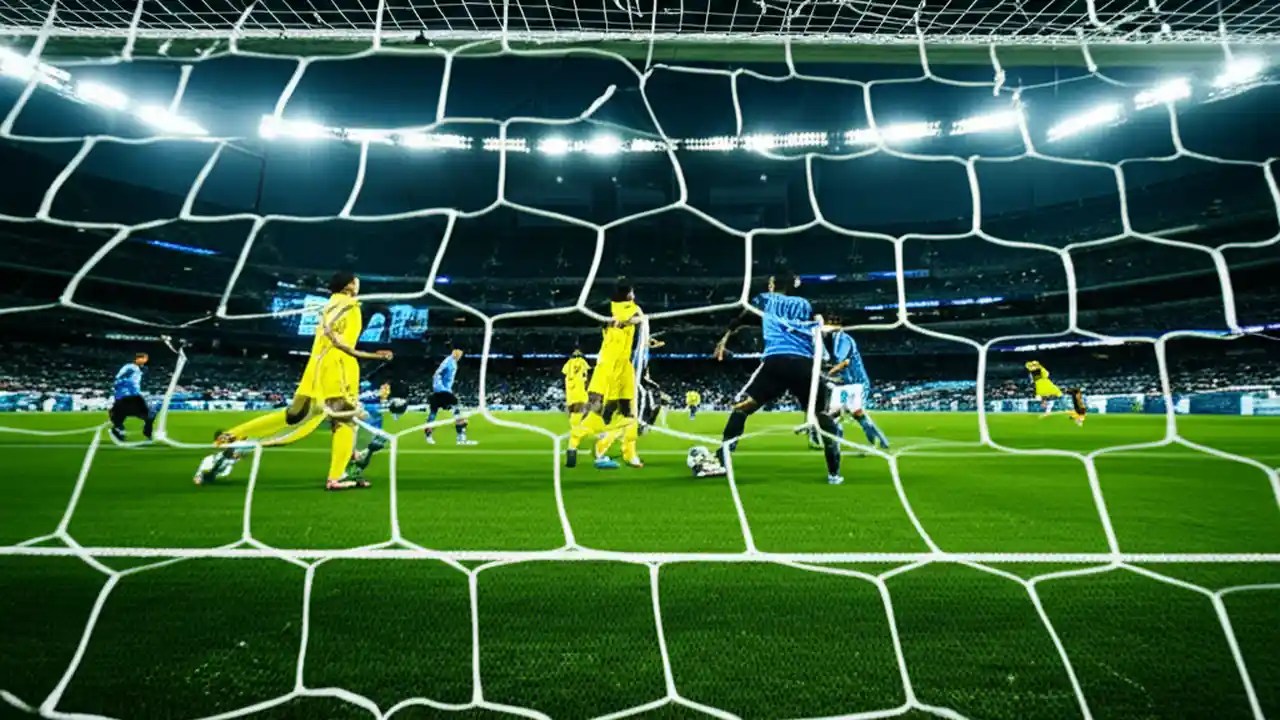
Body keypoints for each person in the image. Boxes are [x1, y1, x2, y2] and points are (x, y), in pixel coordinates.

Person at [207, 272, 393, 491]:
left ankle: (231, 435)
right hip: (337, 366)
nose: (358, 287)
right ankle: (337, 477)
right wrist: (375, 356)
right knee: (345, 420)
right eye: (357, 283)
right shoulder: (350, 305)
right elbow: (340, 342)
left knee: (294, 415)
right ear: (350, 285)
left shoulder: (329, 305)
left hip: (315, 366)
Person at [714, 271, 844, 485]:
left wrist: (725, 338)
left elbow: (742, 317)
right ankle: (834, 473)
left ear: (773, 284)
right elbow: (817, 327)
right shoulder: (804, 304)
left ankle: (722, 459)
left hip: (777, 362)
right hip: (804, 364)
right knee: (821, 415)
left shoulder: (765, 299)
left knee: (742, 409)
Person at [567, 278, 643, 469]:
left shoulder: (631, 308)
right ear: (628, 293)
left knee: (628, 412)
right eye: (632, 292)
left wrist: (623, 322)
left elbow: (639, 318)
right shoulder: (609, 309)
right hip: (610, 367)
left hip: (623, 366)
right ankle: (577, 440)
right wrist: (611, 322)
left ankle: (627, 452)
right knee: (603, 413)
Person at [822, 325, 889, 449]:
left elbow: (844, 362)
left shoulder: (843, 341)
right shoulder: (829, 344)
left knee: (858, 414)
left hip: (857, 384)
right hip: (845, 385)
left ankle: (879, 441)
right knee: (833, 414)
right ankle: (836, 443)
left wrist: (828, 373)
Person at [425, 348, 477, 446]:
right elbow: (437, 373)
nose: (459, 356)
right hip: (444, 392)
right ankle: (461, 438)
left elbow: (439, 374)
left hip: (439, 392)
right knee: (458, 413)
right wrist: (440, 387)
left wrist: (438, 388)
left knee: (432, 414)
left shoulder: (451, 362)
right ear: (455, 353)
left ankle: (428, 437)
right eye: (459, 353)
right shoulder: (449, 361)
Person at [347, 381, 392, 480]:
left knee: (361, 451)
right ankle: (353, 470)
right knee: (367, 449)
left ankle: (354, 469)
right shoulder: (373, 397)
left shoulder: (360, 397)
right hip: (370, 428)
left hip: (363, 427)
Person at [109, 352, 154, 442]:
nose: (145, 361)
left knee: (119, 416)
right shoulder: (131, 367)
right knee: (150, 414)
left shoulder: (137, 370)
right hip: (130, 396)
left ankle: (118, 430)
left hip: (124, 396)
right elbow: (119, 378)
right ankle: (147, 434)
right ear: (138, 358)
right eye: (144, 358)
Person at [561, 349, 591, 432]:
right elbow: (585, 374)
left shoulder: (568, 363)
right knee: (586, 405)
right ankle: (581, 423)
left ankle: (572, 424)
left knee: (570, 406)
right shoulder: (582, 362)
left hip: (570, 387)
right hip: (579, 386)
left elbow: (564, 372)